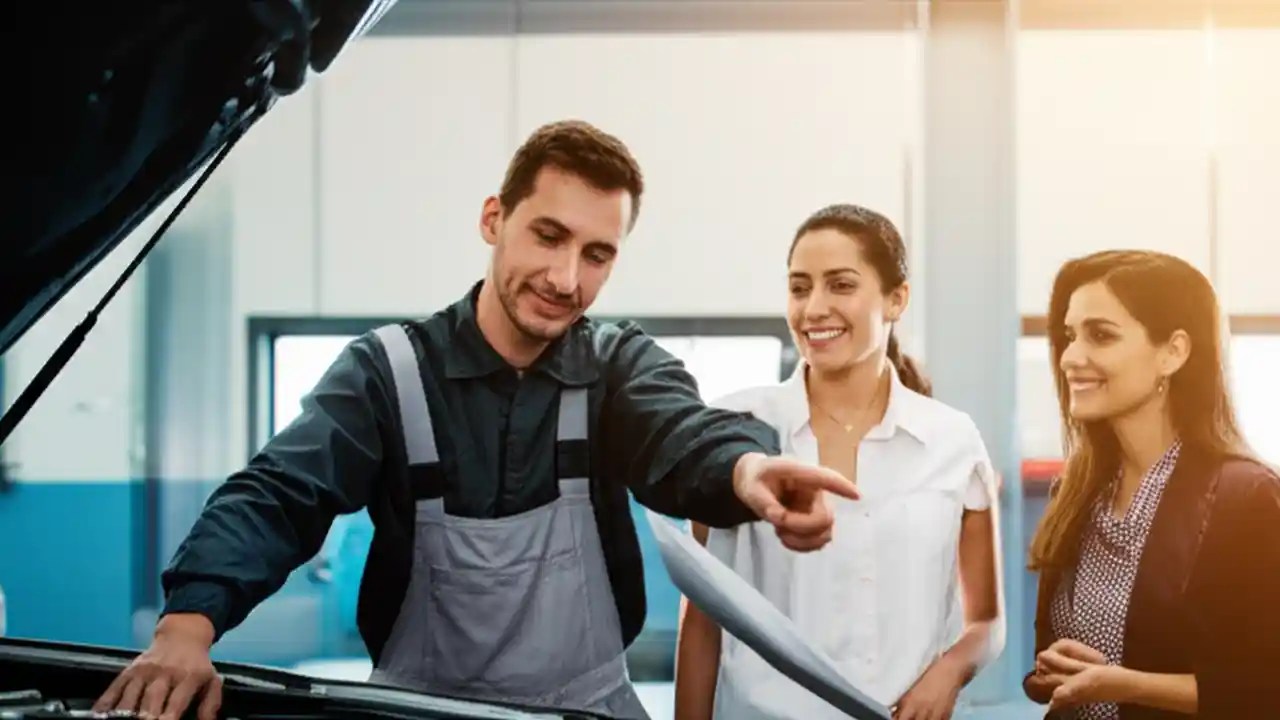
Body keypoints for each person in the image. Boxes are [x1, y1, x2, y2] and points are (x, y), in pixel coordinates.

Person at [93, 120, 860, 720]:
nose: (566, 279)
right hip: (412, 712)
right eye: (549, 236)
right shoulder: (386, 375)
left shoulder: (617, 365)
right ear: (495, 219)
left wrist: (745, 468)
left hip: (583, 709)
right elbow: (280, 490)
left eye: (598, 254)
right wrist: (186, 629)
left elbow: (681, 429)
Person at [673, 203, 1005, 720]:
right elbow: (703, 617)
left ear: (897, 299)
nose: (813, 308)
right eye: (800, 287)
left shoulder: (952, 440)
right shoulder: (733, 425)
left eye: (841, 285)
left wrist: (949, 671)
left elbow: (986, 621)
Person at [1022, 250, 1280, 719]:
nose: (1071, 358)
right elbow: (1050, 671)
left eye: (1100, 335)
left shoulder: (1247, 498)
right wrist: (1048, 677)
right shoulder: (1076, 493)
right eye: (1068, 336)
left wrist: (1128, 685)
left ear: (1173, 352)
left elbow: (1267, 690)